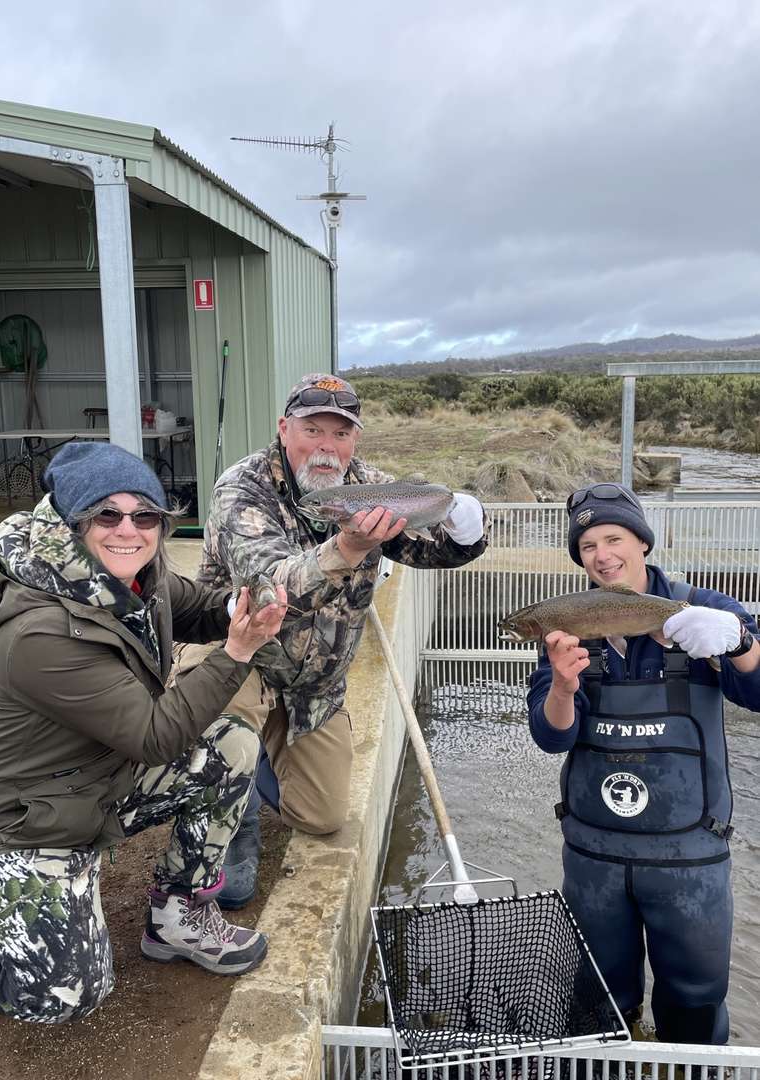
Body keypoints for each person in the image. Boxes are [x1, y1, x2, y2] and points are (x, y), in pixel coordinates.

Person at [0, 441, 287, 1024]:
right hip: (13, 823)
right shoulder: (41, 633)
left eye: (146, 515)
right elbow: (156, 738)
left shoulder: (139, 581)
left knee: (232, 745)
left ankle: (177, 917)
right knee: (67, 997)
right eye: (107, 514)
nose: (128, 529)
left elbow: (202, 607)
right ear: (72, 523)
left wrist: (246, 599)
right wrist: (238, 650)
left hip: (93, 788)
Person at [189, 373, 488, 907]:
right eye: (313, 430)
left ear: (356, 440)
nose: (327, 447)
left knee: (323, 817)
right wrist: (347, 547)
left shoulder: (372, 486)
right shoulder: (242, 488)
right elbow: (270, 589)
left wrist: (465, 529)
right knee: (230, 865)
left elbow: (427, 550)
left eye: (341, 433)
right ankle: (231, 812)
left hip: (315, 685)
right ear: (284, 429)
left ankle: (257, 765)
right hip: (239, 664)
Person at [527, 482, 760, 1045]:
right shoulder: (568, 621)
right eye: (587, 547)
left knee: (696, 999)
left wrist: (739, 644)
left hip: (691, 854)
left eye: (614, 538)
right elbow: (551, 737)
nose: (602, 555)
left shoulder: (701, 609)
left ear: (643, 543)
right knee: (598, 998)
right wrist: (562, 685)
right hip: (593, 854)